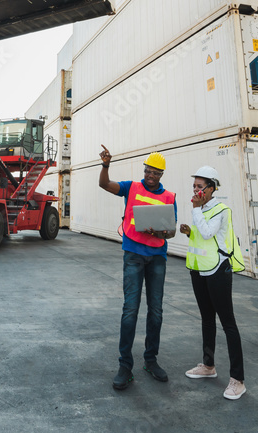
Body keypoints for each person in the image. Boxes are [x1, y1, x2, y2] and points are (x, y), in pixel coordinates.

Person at [98, 145, 176, 391]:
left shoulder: (170, 197)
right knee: (130, 310)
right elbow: (104, 184)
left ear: (161, 175)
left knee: (156, 311)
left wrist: (162, 231)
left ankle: (150, 360)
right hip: (133, 255)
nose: (150, 176)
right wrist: (105, 165)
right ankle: (125, 366)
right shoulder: (131, 187)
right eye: (147, 171)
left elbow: (171, 231)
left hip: (157, 257)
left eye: (155, 173)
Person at [179, 165, 246, 400]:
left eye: (200, 186)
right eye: (194, 186)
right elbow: (203, 236)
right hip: (199, 270)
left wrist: (196, 213)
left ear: (211, 188)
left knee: (228, 323)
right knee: (207, 319)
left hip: (218, 270)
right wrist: (189, 232)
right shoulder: (201, 208)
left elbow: (209, 233)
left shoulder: (221, 209)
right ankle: (208, 366)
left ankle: (238, 380)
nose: (196, 190)